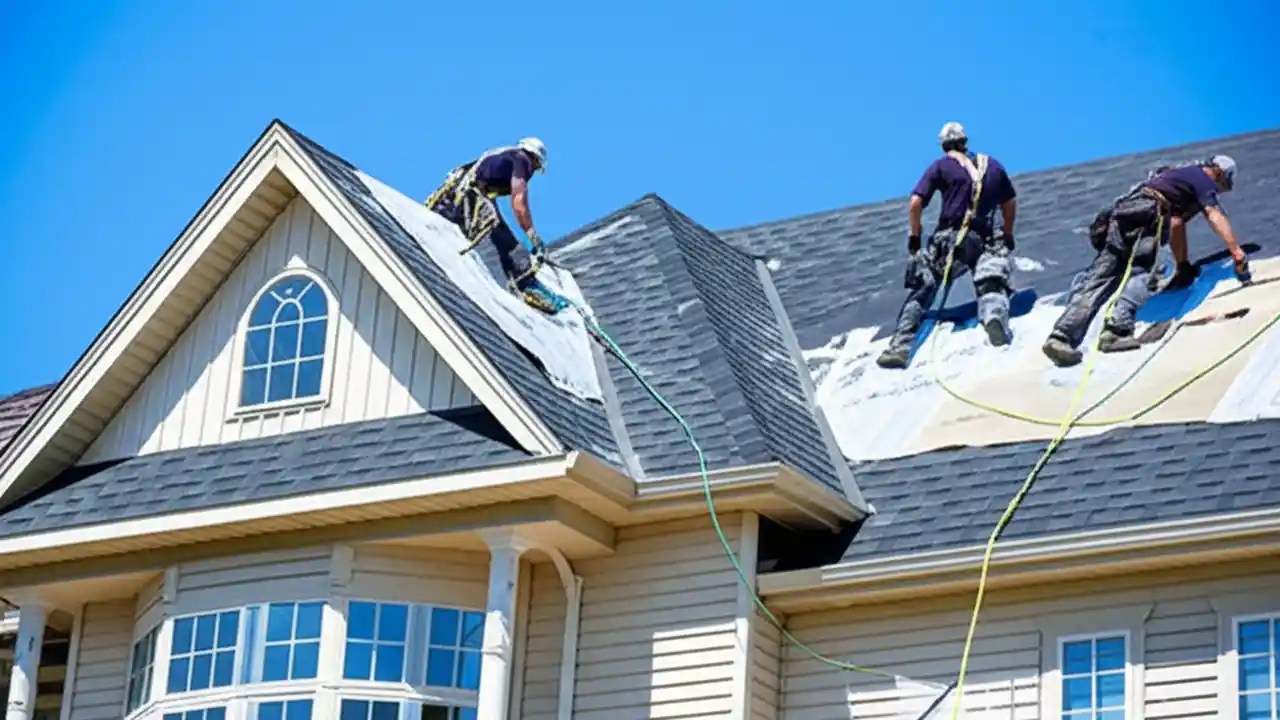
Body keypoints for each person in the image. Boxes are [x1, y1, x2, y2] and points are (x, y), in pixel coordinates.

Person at [1041, 155, 1249, 367]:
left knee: (1099, 279)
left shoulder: (1175, 175)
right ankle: (1116, 331)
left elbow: (1176, 223)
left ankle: (1061, 337)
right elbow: (1214, 214)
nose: (1219, 188)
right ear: (1219, 172)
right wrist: (1236, 251)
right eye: (1223, 183)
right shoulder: (1202, 179)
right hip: (1147, 219)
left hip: (1122, 219)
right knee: (1150, 274)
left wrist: (1183, 266)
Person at [876, 122, 1018, 369]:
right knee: (990, 281)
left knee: (925, 286)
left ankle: (900, 346)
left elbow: (915, 204)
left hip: (949, 241)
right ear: (965, 142)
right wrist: (1007, 234)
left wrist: (915, 237)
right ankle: (994, 319)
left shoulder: (941, 166)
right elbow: (1010, 203)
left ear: (943, 146)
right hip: (983, 241)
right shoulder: (992, 166)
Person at [425, 137, 569, 313]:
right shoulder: (522, 161)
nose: (534, 172)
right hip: (469, 196)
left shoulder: (506, 154)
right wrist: (532, 236)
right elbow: (519, 203)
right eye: (537, 167)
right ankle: (527, 285)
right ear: (535, 159)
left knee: (441, 236)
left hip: (456, 196)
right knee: (507, 242)